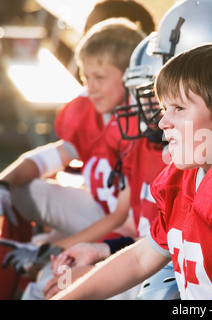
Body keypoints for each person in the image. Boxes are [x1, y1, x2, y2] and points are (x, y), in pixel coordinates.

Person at [51, 42, 212, 300]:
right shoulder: (185, 172)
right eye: (165, 109)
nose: (163, 121)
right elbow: (141, 259)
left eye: (179, 108)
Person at [0, 18, 146, 298]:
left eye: (99, 78)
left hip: (127, 235)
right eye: (85, 77)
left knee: (51, 278)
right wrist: (4, 184)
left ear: (131, 77)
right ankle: (19, 251)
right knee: (22, 190)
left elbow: (121, 221)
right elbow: (51, 156)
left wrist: (56, 246)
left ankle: (32, 262)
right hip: (102, 213)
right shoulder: (94, 112)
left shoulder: (140, 129)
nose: (89, 88)